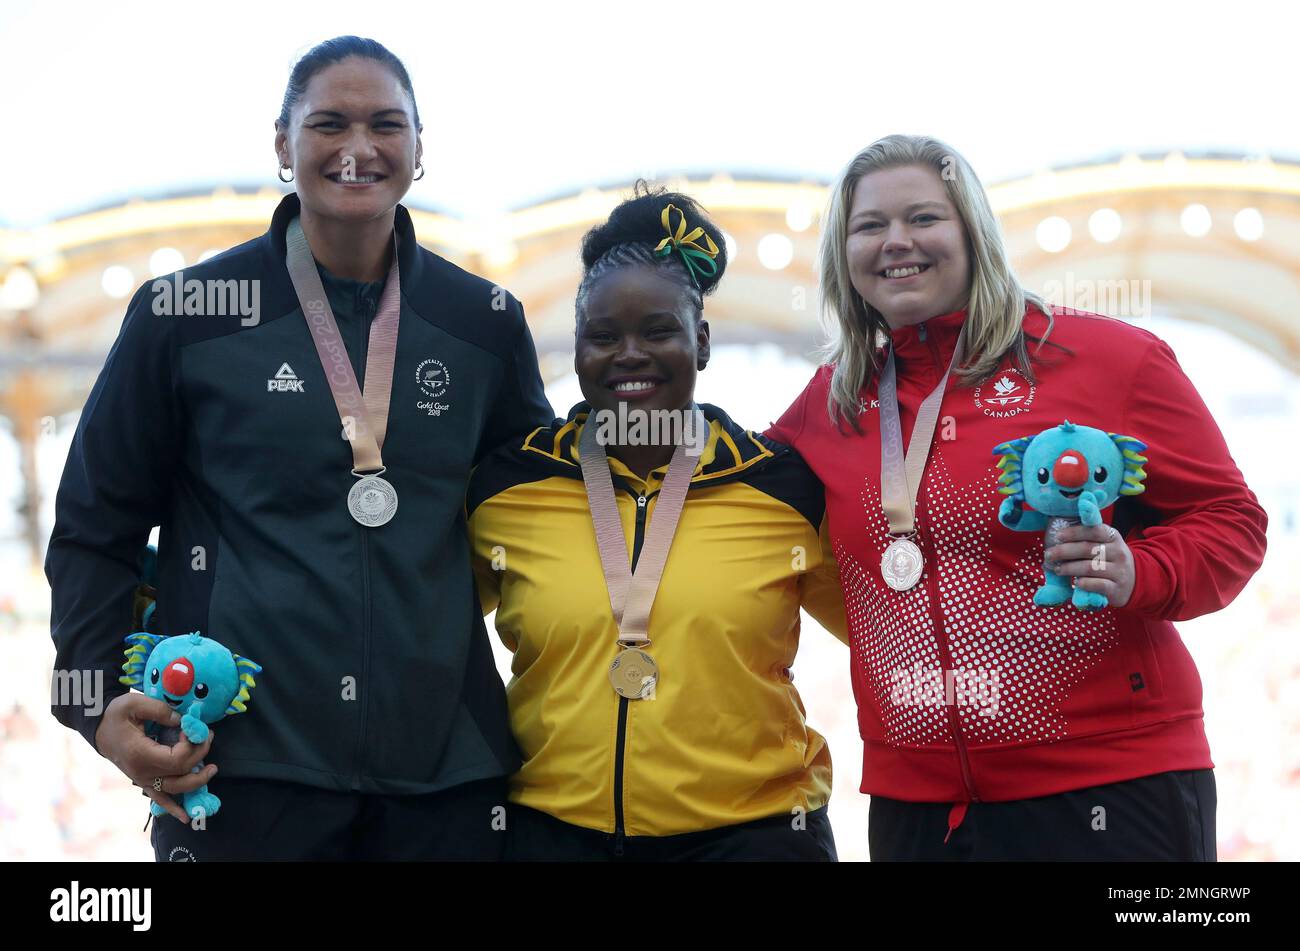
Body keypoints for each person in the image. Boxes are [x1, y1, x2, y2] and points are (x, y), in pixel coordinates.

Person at [45, 36, 553, 861]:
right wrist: (97, 702)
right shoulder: (188, 315)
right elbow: (93, 528)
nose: (359, 148)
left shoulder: (483, 326)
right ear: (283, 145)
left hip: (447, 784)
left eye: (387, 125)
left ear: (420, 150)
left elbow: (540, 526)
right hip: (238, 771)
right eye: (329, 124)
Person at [766, 134, 1269, 861]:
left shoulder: (1108, 359)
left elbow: (1233, 522)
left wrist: (1141, 570)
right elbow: (733, 489)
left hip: (1112, 787)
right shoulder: (834, 402)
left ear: (974, 231)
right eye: (869, 225)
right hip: (920, 806)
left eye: (924, 218)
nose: (896, 241)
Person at [467, 185, 847, 861]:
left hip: (754, 838)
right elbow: (424, 630)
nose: (630, 354)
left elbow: (888, 627)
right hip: (554, 836)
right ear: (578, 349)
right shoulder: (509, 487)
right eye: (603, 335)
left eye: (659, 330)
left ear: (700, 341)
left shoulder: (782, 486)